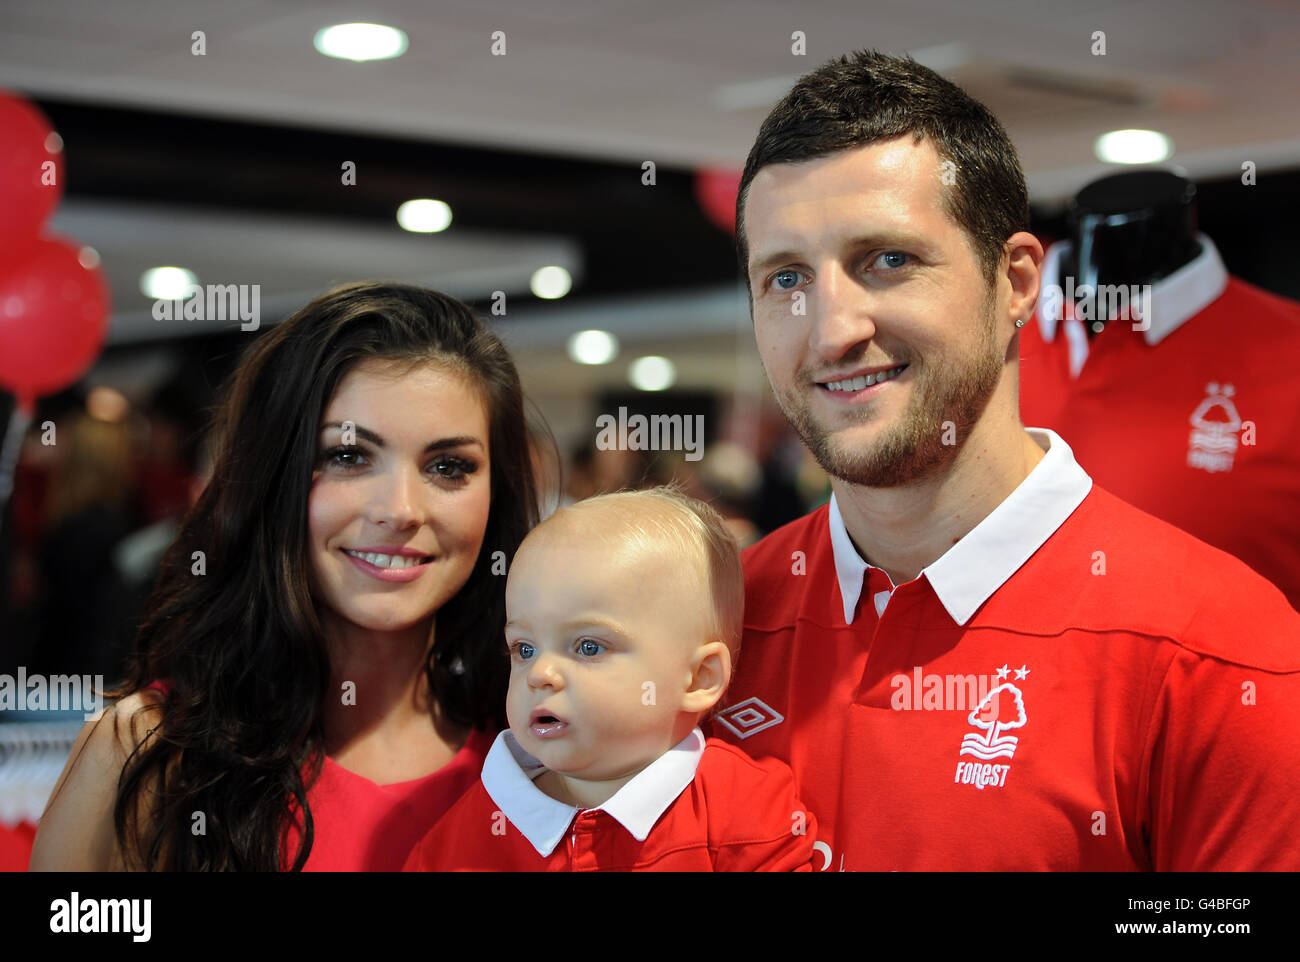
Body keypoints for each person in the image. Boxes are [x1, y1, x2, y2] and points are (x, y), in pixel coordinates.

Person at [708, 49, 1300, 870]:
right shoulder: (710, 631)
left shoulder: (1217, 648)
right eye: (786, 279)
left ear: (1016, 280)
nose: (832, 329)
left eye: (888, 260)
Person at [30, 282, 539, 870]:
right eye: (348, 457)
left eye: (449, 466)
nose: (400, 509)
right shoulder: (148, 753)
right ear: (274, 477)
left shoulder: (544, 759)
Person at [404, 487, 816, 871]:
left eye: (588, 647)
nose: (541, 675)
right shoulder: (471, 830)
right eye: (524, 649)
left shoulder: (747, 812)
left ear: (697, 678)